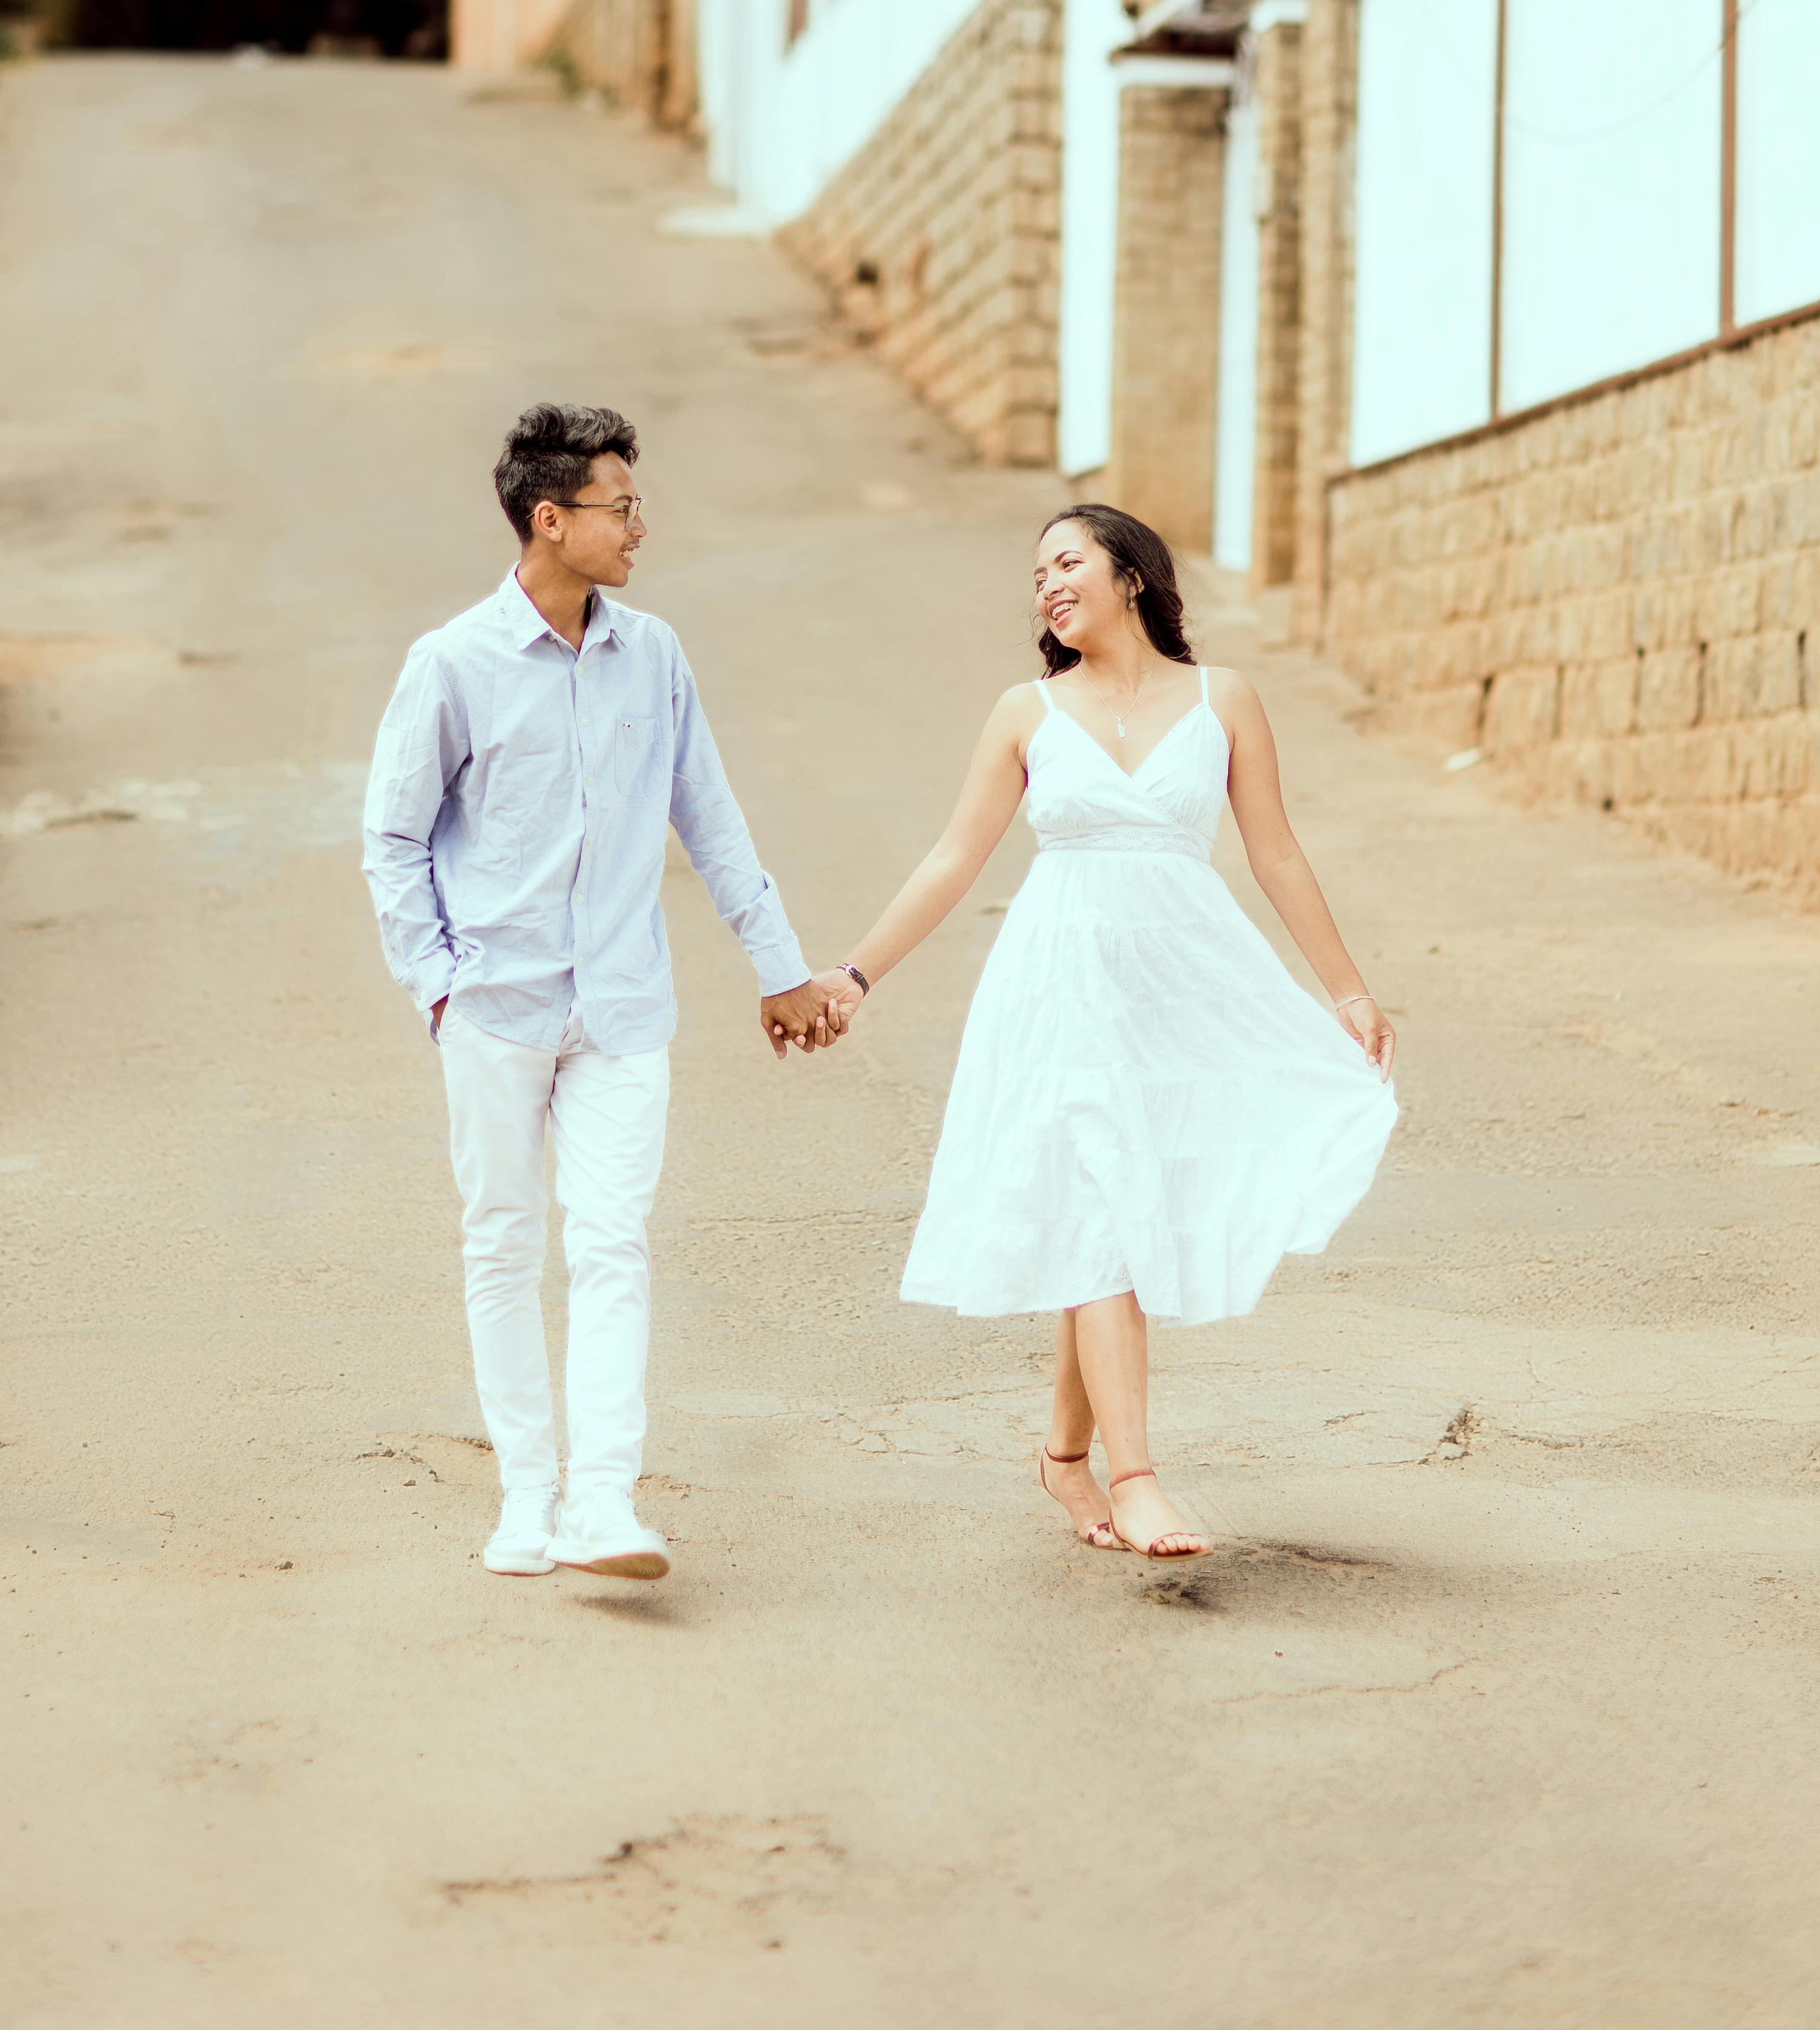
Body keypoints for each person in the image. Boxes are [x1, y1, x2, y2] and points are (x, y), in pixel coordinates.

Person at [810, 504, 1396, 1561]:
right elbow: (953, 859)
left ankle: (1064, 1457)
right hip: (1060, 987)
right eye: (1035, 573)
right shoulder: (1024, 712)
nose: (1045, 584)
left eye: (1066, 562)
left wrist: (1346, 992)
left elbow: (1277, 855)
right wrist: (854, 975)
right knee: (1101, 1199)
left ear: (1132, 576)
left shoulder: (1227, 701)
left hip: (1181, 986)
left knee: (1120, 1208)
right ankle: (1136, 1478)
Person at [362, 401, 851, 1584]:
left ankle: (604, 1504)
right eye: (620, 507)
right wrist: (440, 987)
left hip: (625, 1013)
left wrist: (779, 963)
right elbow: (393, 837)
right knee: (503, 1244)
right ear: (549, 519)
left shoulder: (656, 657)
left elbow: (711, 819)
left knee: (614, 1246)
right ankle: (526, 1497)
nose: (641, 526)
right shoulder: (453, 664)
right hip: (496, 1008)